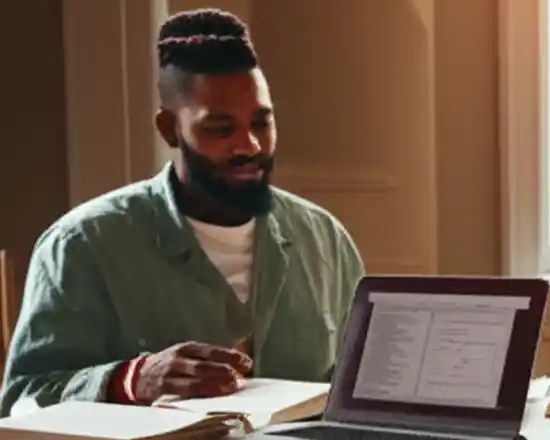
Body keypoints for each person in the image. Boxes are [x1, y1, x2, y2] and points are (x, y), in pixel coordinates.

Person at [1, 9, 364, 416]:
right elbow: (22, 400)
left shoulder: (325, 239)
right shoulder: (83, 245)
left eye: (262, 123)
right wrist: (131, 380)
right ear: (169, 129)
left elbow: (359, 386)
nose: (251, 146)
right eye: (220, 128)